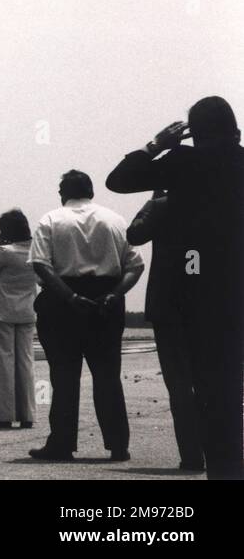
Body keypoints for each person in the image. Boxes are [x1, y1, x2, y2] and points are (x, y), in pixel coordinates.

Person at [107, 97, 242, 479]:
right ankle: (227, 466)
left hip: (178, 297)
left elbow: (118, 180)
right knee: (228, 386)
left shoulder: (181, 163)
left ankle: (196, 454)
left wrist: (157, 145)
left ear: (192, 133)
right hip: (230, 297)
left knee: (183, 384)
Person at [27, 170, 143, 462]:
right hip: (107, 300)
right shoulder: (115, 220)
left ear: (62, 193)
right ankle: (118, 444)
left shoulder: (51, 220)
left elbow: (41, 265)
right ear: (91, 191)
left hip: (62, 302)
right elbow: (135, 266)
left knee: (64, 377)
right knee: (107, 377)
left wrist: (69, 297)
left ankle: (62, 443)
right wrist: (115, 294)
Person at [122, 191, 202, 471]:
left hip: (169, 304)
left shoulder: (161, 206)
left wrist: (152, 204)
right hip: (214, 303)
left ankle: (192, 454)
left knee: (179, 382)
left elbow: (133, 234)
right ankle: (221, 449)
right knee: (217, 381)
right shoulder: (222, 199)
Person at [0, 209, 37, 429]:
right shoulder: (36, 250)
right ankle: (27, 414)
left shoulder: (5, 251)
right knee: (26, 361)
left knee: (4, 361)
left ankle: (5, 414)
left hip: (3, 310)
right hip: (27, 310)